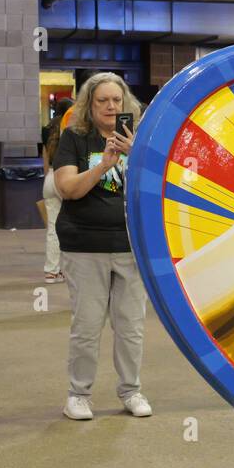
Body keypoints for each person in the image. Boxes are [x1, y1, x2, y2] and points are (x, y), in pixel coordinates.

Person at [53, 72, 151, 421]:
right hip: (85, 246)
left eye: (116, 100)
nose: (111, 106)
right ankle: (78, 395)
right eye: (102, 101)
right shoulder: (75, 139)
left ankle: (131, 391)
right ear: (89, 106)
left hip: (130, 245)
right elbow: (68, 188)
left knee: (131, 325)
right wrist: (104, 165)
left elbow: (162, 184)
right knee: (88, 325)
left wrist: (135, 154)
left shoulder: (141, 139)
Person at [41, 96, 74, 284]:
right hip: (66, 176)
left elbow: (45, 157)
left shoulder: (46, 130)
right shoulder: (70, 127)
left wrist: (47, 178)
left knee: (52, 228)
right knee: (71, 225)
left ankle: (51, 271)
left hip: (50, 177)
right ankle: (69, 269)